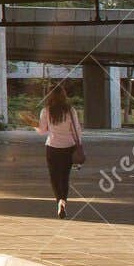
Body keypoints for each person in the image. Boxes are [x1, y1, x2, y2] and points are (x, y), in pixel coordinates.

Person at [36, 84, 82, 219]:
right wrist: (79, 146)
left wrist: (34, 125)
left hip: (52, 147)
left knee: (54, 177)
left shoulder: (46, 111)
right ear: (63, 95)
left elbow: (42, 130)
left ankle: (59, 201)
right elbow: (76, 130)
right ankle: (63, 201)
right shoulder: (70, 110)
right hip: (68, 147)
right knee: (64, 177)